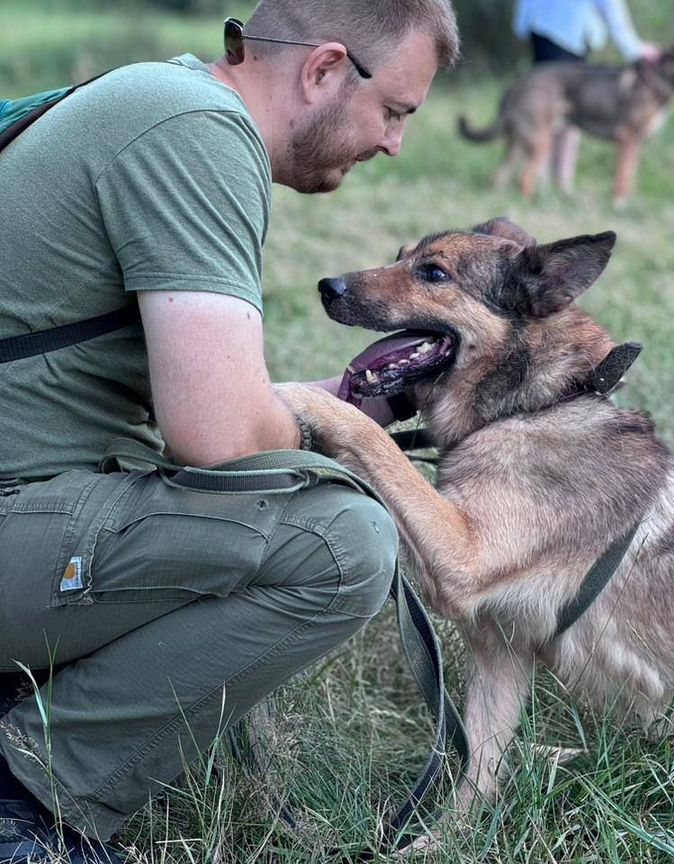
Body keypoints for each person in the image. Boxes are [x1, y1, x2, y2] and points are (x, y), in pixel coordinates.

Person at [0, 1, 459, 861]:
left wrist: (359, 401)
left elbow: (221, 403)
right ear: (325, 69)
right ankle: (29, 797)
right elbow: (217, 435)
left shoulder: (163, 100)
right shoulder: (197, 133)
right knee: (339, 542)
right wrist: (348, 439)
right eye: (395, 111)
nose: (395, 143)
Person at [512, 0, 660, 191]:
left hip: (550, 26)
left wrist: (523, 21)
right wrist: (634, 48)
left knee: (567, 109)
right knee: (550, 111)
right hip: (562, 29)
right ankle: (541, 183)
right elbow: (609, 5)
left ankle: (556, 183)